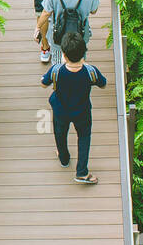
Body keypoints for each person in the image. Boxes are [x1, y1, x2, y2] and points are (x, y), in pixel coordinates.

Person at [41, 33, 108, 184]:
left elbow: (44, 84)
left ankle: (64, 158)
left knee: (60, 133)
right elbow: (103, 84)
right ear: (84, 53)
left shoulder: (56, 70)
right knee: (84, 137)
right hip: (82, 111)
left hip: (60, 110)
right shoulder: (91, 71)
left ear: (64, 54)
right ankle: (82, 172)